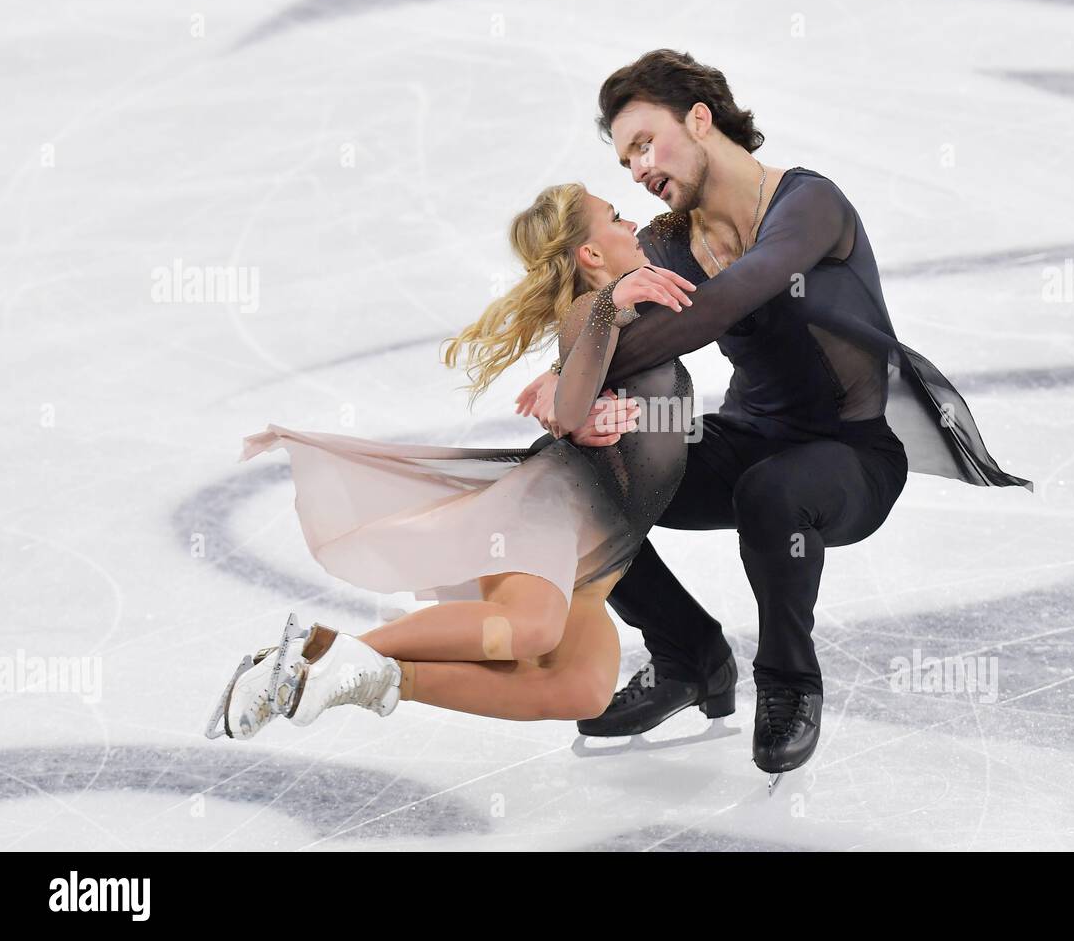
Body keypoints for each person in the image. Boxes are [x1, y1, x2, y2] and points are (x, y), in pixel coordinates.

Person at [517, 50, 1033, 776]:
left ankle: (790, 684)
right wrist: (569, 378)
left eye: (644, 143)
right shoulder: (667, 240)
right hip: (747, 440)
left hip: (849, 457)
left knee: (775, 491)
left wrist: (572, 375)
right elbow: (620, 329)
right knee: (569, 476)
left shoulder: (809, 205)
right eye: (625, 158)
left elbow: (723, 303)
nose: (635, 170)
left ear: (699, 119)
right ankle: (687, 657)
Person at [204, 183, 703, 740]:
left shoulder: (631, 312)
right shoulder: (594, 309)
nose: (631, 224)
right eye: (615, 217)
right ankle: (307, 660)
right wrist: (598, 331)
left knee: (580, 688)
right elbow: (570, 403)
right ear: (590, 255)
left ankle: (359, 674)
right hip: (552, 512)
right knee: (529, 629)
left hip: (606, 548)